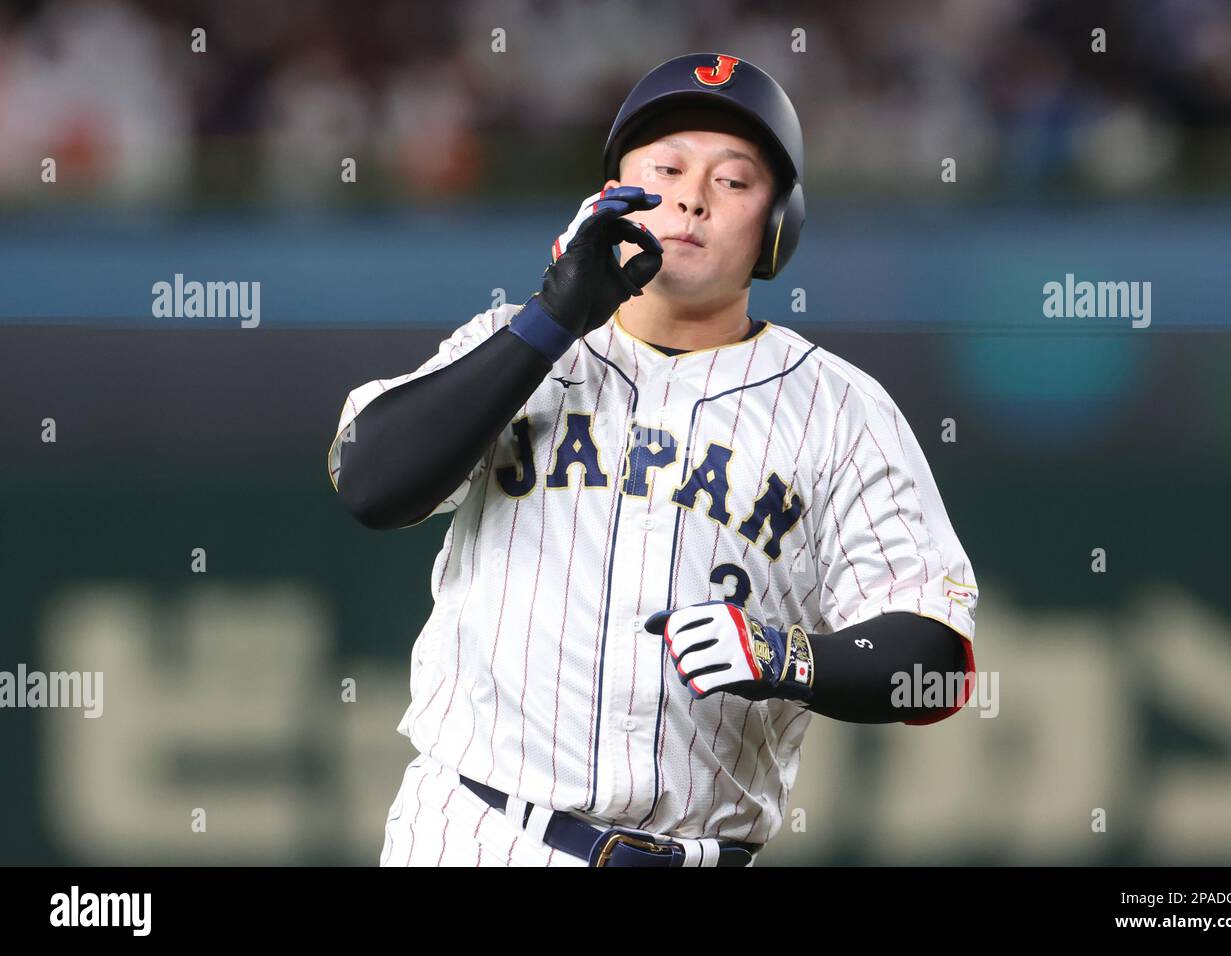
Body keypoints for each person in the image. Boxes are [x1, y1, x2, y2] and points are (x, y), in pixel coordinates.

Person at [328, 53, 979, 867]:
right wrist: (550, 319)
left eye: (734, 182)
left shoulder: (843, 411)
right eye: (666, 168)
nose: (692, 198)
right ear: (608, 199)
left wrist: (791, 658)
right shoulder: (514, 345)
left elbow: (936, 663)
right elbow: (369, 482)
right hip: (479, 833)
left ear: (780, 225)